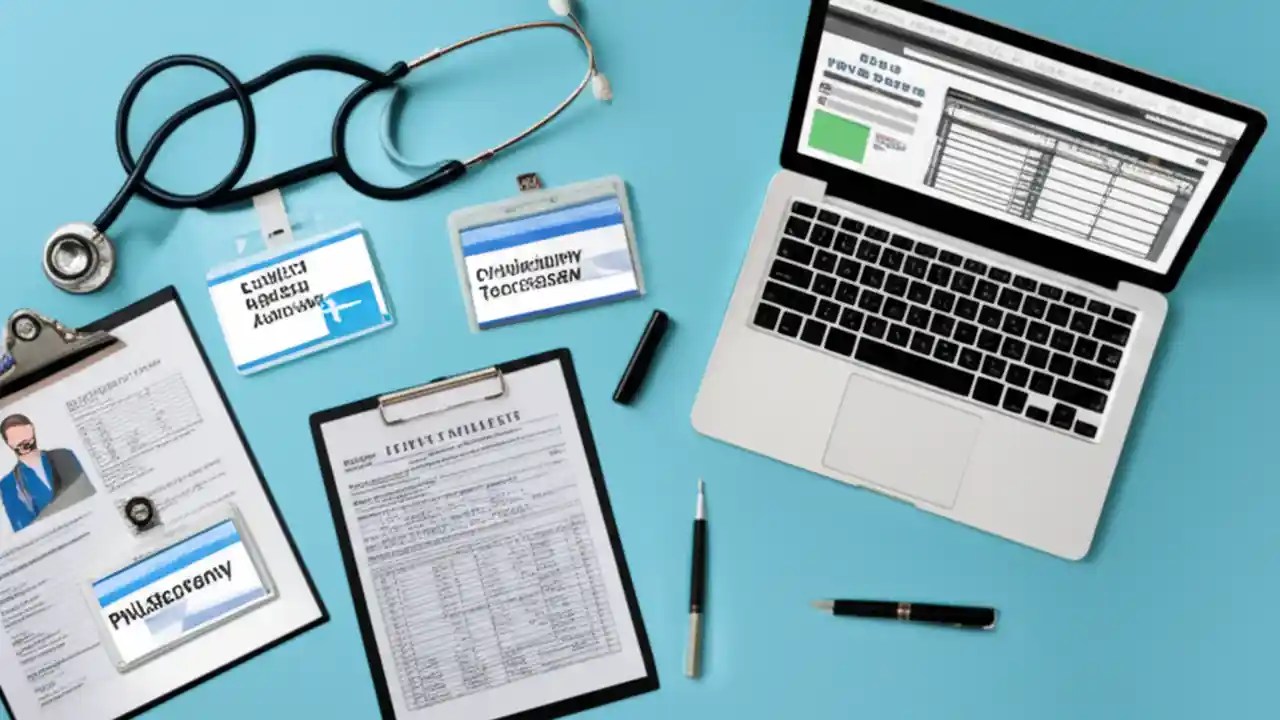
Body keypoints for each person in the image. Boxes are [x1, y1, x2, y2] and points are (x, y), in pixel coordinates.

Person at [0, 414, 96, 533]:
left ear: (32, 429)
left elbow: (87, 493)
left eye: (24, 435)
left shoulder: (64, 456)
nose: (23, 441)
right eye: (16, 438)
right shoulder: (8, 484)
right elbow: (23, 529)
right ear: (8, 442)